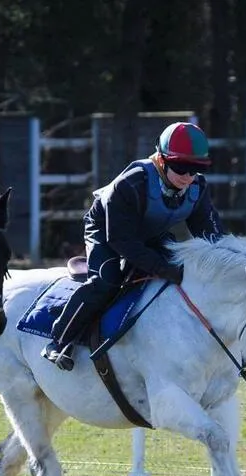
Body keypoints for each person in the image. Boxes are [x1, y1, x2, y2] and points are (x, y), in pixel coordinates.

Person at [41, 121, 226, 371]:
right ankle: (59, 340)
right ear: (161, 160)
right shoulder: (132, 183)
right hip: (107, 231)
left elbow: (212, 237)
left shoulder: (198, 186)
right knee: (106, 280)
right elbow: (122, 241)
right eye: (181, 167)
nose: (187, 176)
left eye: (196, 169)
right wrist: (162, 267)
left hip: (150, 232)